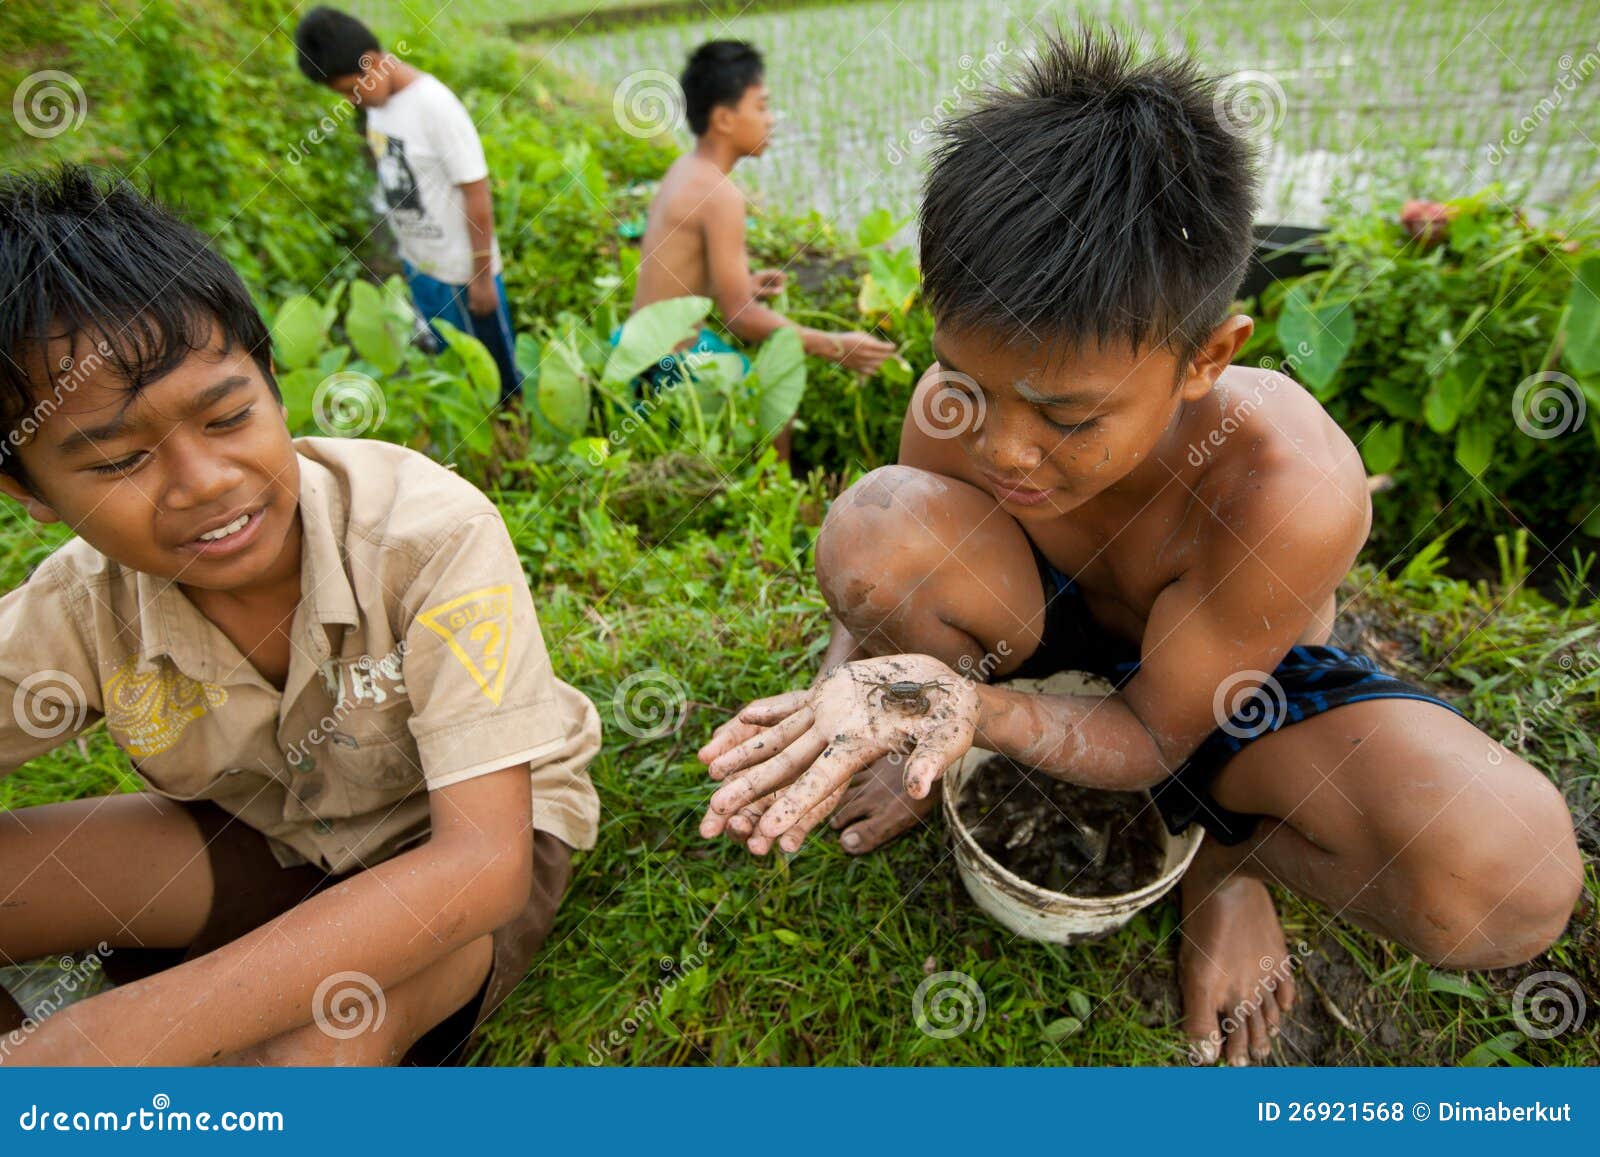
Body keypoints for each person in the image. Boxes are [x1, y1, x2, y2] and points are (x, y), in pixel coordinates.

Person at [696, 31, 1581, 1066]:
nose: (1000, 446)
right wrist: (858, 697)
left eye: (1067, 416)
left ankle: (1227, 868)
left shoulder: (1286, 491)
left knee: (1509, 880)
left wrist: (973, 708)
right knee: (876, 525)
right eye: (969, 382)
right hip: (1038, 612)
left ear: (1208, 355)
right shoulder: (967, 402)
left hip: (1210, 686)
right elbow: (884, 574)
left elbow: (1157, 735)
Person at [0, 167, 600, 1065]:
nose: (205, 484)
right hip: (270, 844)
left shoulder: (428, 538)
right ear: (26, 489)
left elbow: (481, 867)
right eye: (120, 462)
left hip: (450, 865)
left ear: (272, 383)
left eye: (228, 416)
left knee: (312, 1055)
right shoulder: (79, 604)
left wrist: (101, 1041)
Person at [626, 40, 896, 455]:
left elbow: (685, 278)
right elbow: (740, 318)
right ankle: (775, 497)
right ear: (724, 119)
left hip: (640, 349)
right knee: (773, 400)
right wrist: (834, 344)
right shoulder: (720, 194)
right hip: (666, 365)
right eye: (761, 107)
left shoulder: (687, 169)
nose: (771, 120)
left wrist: (745, 282)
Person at [294, 7, 523, 402]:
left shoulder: (435, 105)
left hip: (462, 274)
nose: (352, 101)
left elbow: (477, 192)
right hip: (420, 266)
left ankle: (511, 450)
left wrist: (482, 277)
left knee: (496, 380)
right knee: (455, 376)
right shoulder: (379, 108)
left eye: (352, 89)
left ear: (372, 60)